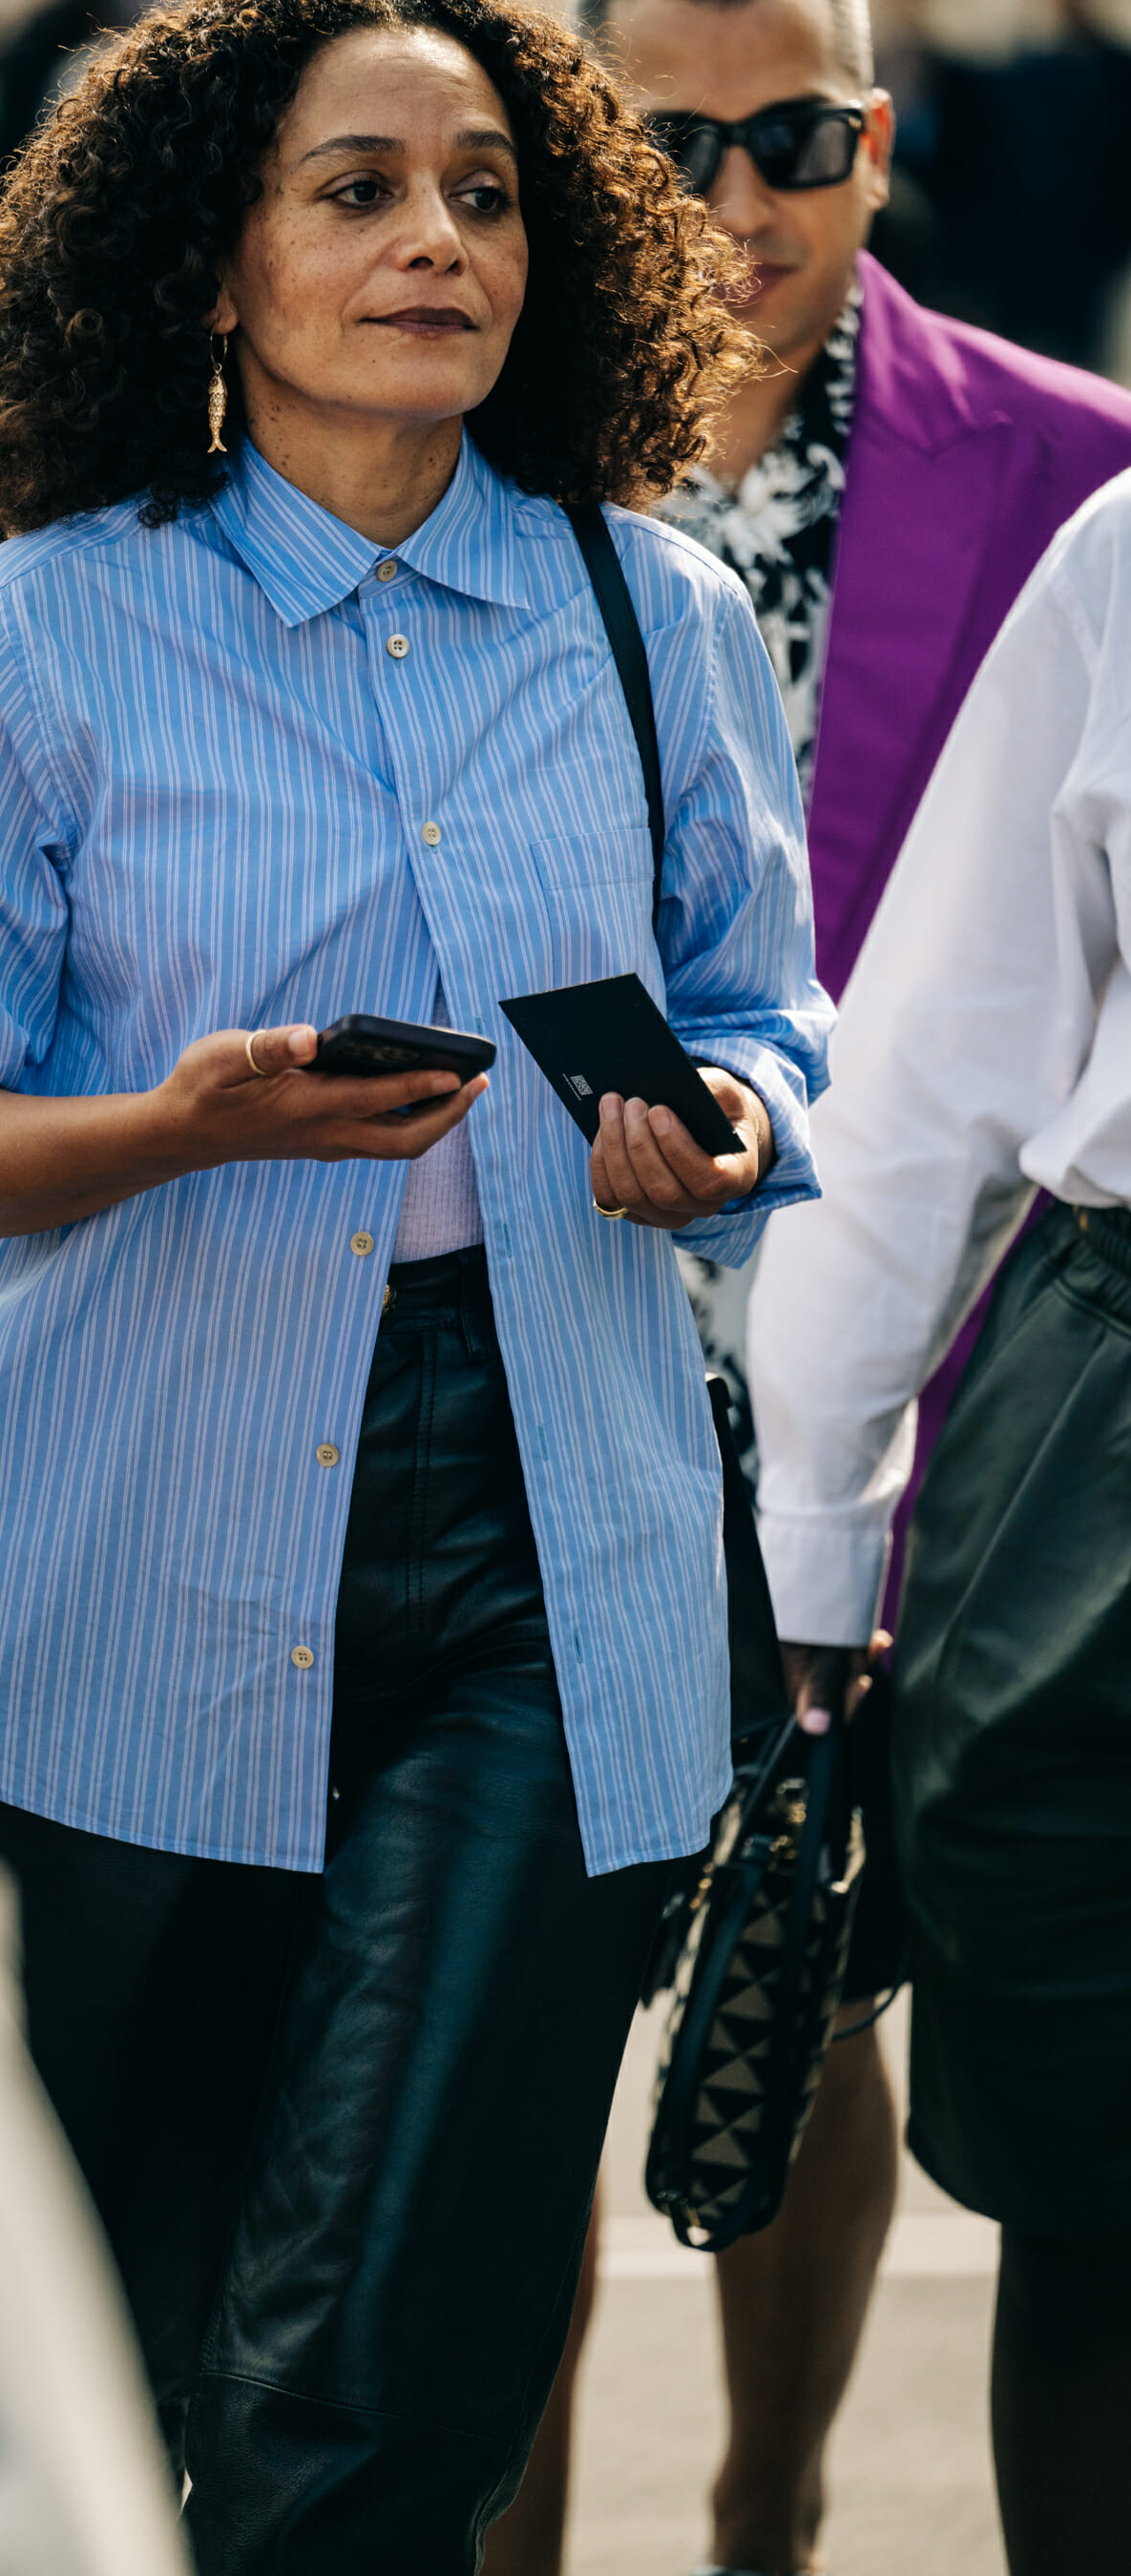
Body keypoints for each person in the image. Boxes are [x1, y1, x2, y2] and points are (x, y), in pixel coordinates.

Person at [0, 1, 831, 2564]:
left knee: (376, 2364)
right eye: (357, 188)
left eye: (483, 192)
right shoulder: (35, 641)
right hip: (114, 1565)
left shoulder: (651, 619)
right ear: (215, 258)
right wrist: (176, 1126)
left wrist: (725, 1128)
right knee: (105, 2343)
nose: (434, 242)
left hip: (540, 1565)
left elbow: (770, 1012)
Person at [487, 6, 1131, 2571]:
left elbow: (987, 1022)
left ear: (883, 144)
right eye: (666, 145)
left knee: (813, 1971)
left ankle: (765, 2501)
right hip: (529, 1311)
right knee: (506, 1996)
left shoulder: (1069, 469)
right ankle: (502, 2528)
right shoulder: (459, 463)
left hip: (905, 1356)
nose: (741, 198)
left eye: (804, 138)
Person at [747, 467, 1131, 2576]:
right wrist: (820, 1523)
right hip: (1107, 1417)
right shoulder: (1127, 558)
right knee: (1094, 2203)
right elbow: (933, 1066)